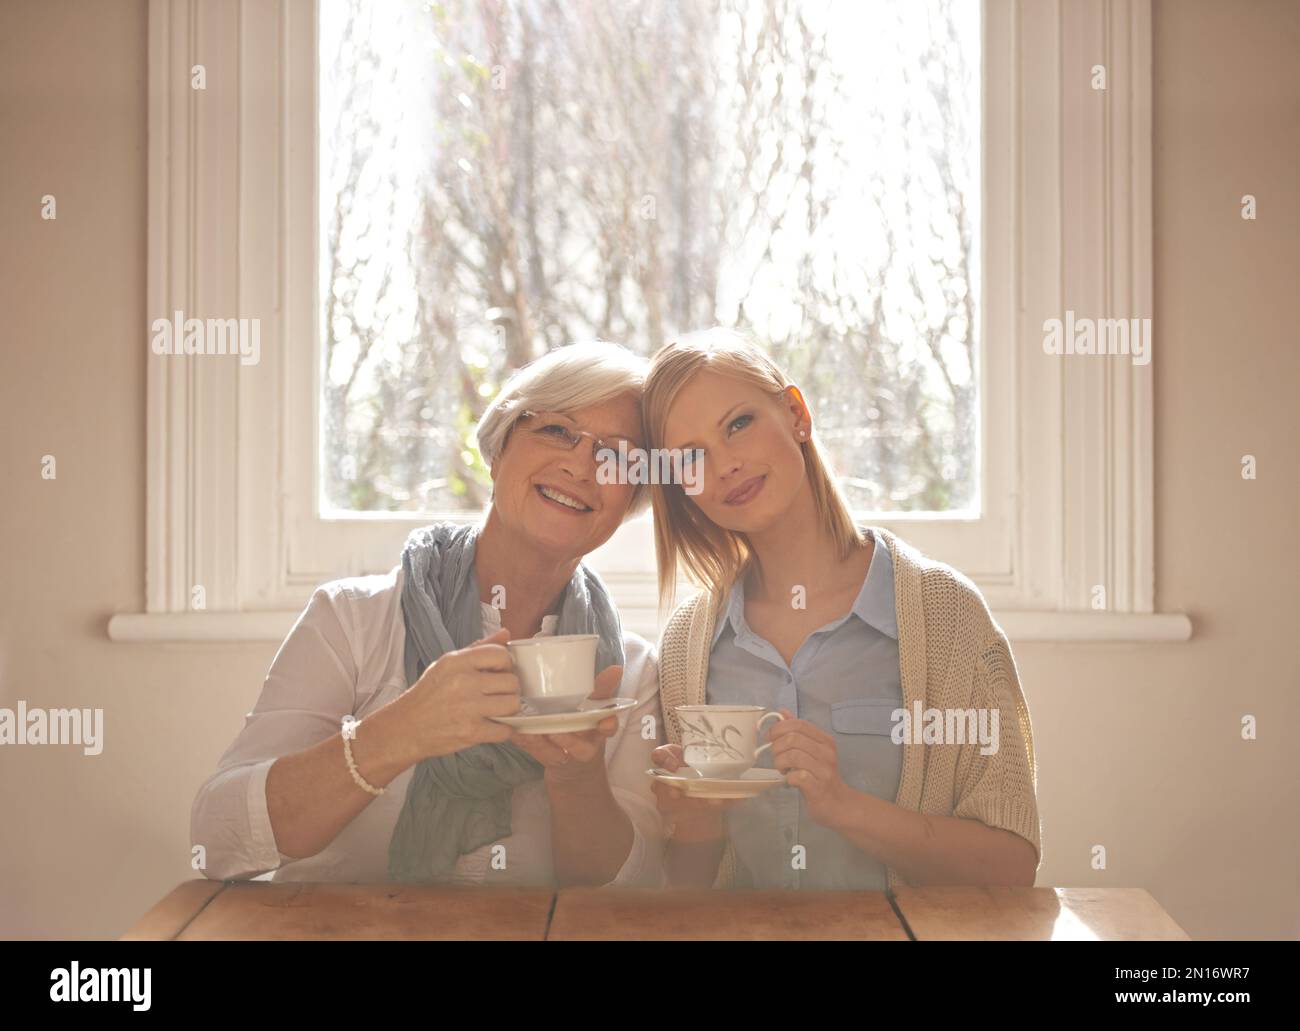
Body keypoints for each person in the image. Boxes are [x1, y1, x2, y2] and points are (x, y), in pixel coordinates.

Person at [191, 342, 664, 888]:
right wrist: (399, 733)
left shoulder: (629, 672)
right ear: (498, 449)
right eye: (557, 430)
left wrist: (577, 777)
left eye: (616, 456)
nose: (582, 464)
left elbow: (631, 892)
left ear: (632, 499)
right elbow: (216, 842)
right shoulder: (350, 620)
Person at [642, 327, 1040, 891]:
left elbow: (1011, 868)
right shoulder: (687, 645)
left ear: (796, 414)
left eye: (738, 424)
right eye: (691, 456)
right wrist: (693, 827)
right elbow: (690, 889)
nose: (725, 464)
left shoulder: (947, 617)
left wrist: (843, 805)